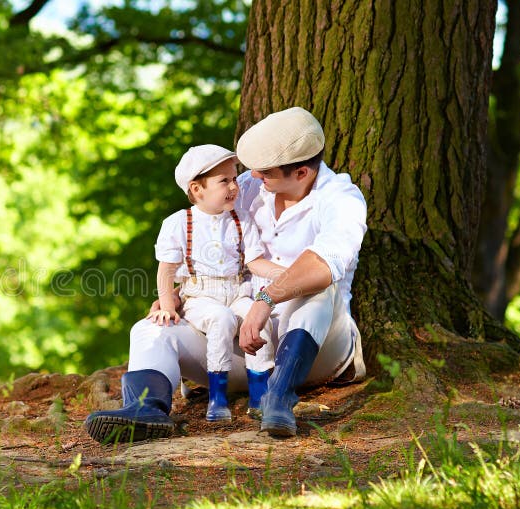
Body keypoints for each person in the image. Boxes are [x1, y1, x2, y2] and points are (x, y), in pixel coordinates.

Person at [84, 107, 367, 443]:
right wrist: (175, 294)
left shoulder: (341, 199)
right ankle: (146, 409)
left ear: (302, 172)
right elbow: (207, 241)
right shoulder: (247, 187)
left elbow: (322, 265)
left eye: (265, 173)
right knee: (152, 328)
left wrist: (265, 299)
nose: (252, 178)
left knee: (322, 288)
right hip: (239, 346)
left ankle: (280, 397)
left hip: (315, 351)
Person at [149, 144, 283, 422]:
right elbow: (166, 270)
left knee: (260, 318)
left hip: (238, 291)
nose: (234, 186)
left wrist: (288, 273)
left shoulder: (241, 220)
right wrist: (166, 304)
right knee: (221, 320)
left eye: (234, 179)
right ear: (197, 190)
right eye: (224, 181)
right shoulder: (179, 223)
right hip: (201, 297)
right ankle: (217, 399)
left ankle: (260, 396)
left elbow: (255, 262)